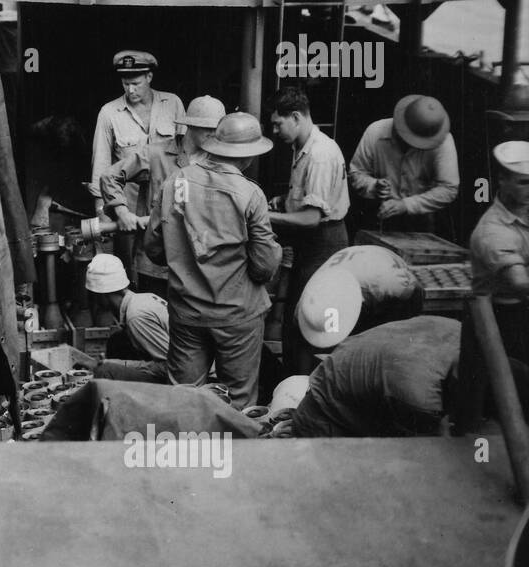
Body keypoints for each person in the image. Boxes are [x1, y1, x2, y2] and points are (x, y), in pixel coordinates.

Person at [145, 112, 283, 408]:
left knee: (184, 399)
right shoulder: (250, 194)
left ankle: (183, 453)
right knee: (238, 402)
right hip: (237, 314)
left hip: (187, 312)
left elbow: (154, 249)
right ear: (247, 156)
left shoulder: (175, 182)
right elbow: (265, 267)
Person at [268, 86, 350, 375]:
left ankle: (303, 393)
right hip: (310, 246)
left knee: (311, 324)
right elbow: (306, 202)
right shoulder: (301, 147)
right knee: (297, 321)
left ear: (296, 117)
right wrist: (285, 201)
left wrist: (267, 216)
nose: (275, 131)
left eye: (278, 124)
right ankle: (291, 387)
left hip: (323, 244)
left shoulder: (320, 154)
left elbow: (311, 219)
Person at [90, 51, 185, 290]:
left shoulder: (172, 104)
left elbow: (186, 154)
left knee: (167, 265)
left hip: (166, 202)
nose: (130, 90)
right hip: (125, 207)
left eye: (136, 83)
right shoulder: (109, 113)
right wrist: (104, 213)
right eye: (125, 83)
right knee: (127, 269)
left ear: (150, 77)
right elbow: (100, 167)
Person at [282, 316, 462, 438]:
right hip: (326, 421)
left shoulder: (462, 333)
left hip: (358, 393)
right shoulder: (419, 395)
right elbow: (429, 455)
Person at [347, 95, 459, 233]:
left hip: (420, 221)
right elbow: (356, 173)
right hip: (377, 215)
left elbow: (448, 189)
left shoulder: (443, 141)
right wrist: (373, 186)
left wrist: (406, 205)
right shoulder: (375, 131)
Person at [468, 140, 529, 369]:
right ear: (502, 180)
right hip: (499, 318)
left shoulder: (528, 206)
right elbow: (520, 283)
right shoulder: (492, 231)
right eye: (524, 182)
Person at [85, 253, 171, 383]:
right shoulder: (143, 298)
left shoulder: (136, 316)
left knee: (105, 371)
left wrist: (119, 365)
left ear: (101, 295)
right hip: (188, 365)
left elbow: (172, 366)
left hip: (190, 379)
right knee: (118, 340)